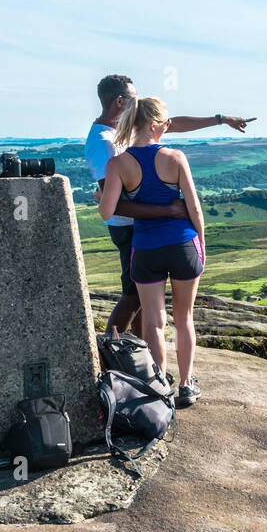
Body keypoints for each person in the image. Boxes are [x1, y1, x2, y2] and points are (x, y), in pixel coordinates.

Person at [85, 74, 253, 337]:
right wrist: (168, 210)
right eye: (133, 97)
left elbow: (170, 124)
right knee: (132, 296)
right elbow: (113, 205)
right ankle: (107, 358)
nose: (137, 101)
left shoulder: (125, 127)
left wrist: (220, 119)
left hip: (145, 225)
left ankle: (143, 359)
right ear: (119, 101)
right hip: (129, 228)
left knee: (143, 300)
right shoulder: (102, 142)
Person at [98, 96, 206, 407]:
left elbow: (107, 212)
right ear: (156, 125)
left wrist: (102, 193)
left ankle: (160, 386)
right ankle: (186, 384)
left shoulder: (117, 163)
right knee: (184, 318)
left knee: (154, 322)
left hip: (145, 248)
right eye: (167, 121)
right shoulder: (175, 157)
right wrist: (202, 241)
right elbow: (194, 207)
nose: (170, 125)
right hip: (183, 243)